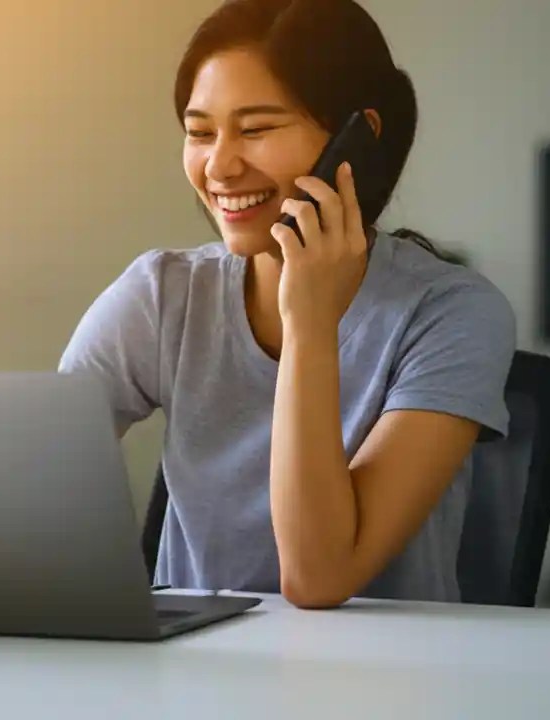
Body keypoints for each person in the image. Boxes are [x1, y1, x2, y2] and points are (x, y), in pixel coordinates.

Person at [59, 0, 515, 608]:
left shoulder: (453, 313)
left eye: (256, 129)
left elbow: (319, 578)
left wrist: (309, 320)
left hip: (386, 685)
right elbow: (35, 480)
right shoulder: (162, 295)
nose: (219, 165)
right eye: (199, 132)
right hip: (193, 681)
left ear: (356, 140)